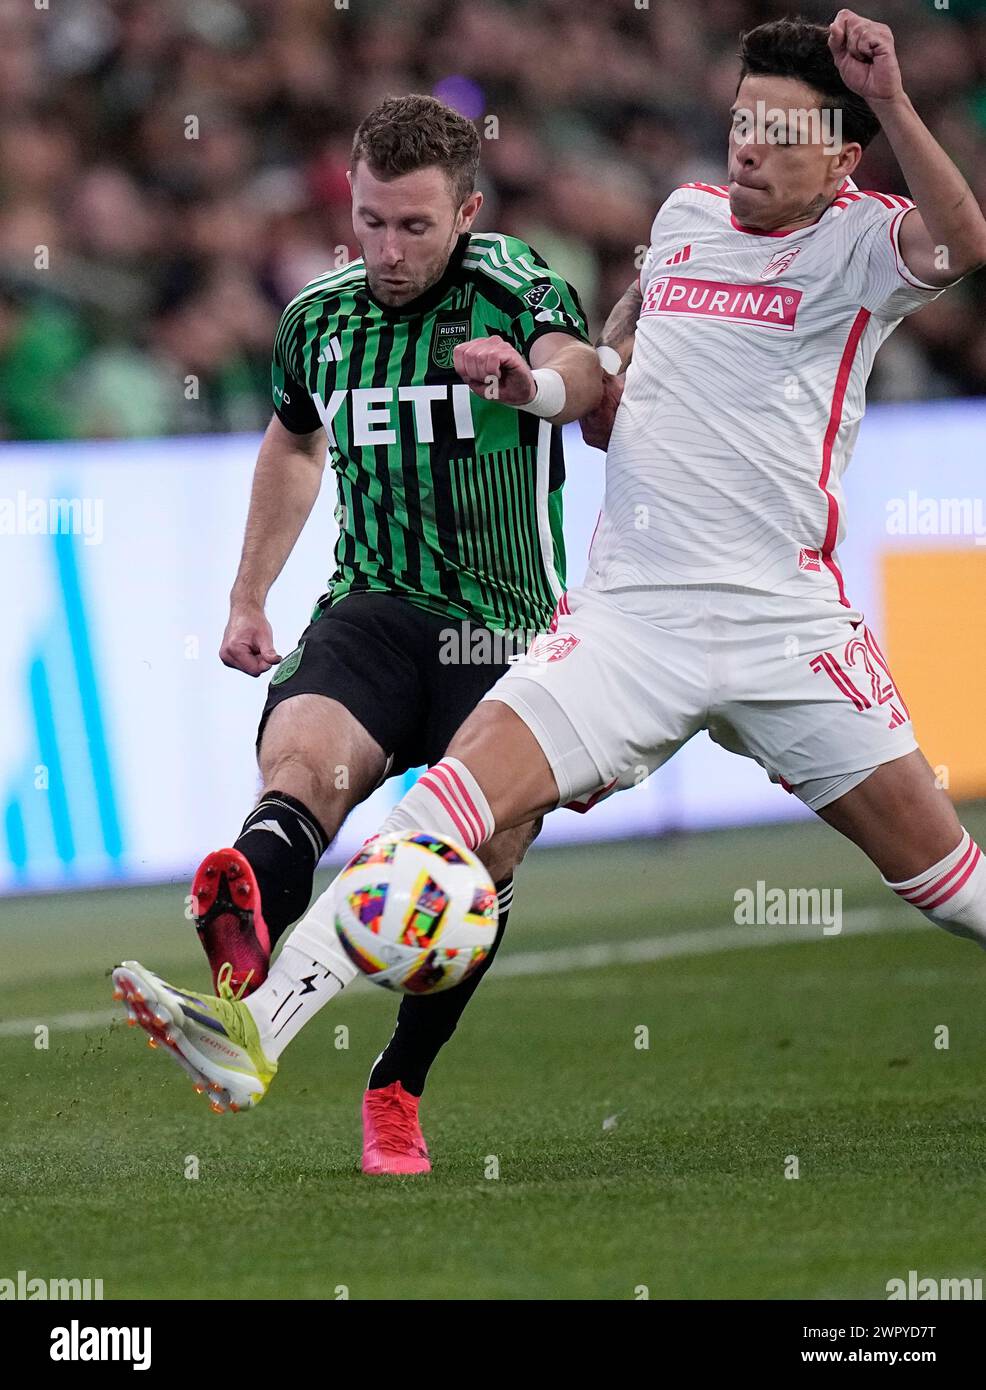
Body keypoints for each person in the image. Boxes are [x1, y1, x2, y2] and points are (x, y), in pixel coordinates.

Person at [115, 10, 986, 1124]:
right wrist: (561, 384)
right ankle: (254, 1033)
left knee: (944, 883)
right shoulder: (682, 220)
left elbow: (962, 245)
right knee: (434, 817)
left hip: (783, 624)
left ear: (842, 156)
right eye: (738, 121)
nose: (747, 146)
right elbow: (615, 340)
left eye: (780, 129)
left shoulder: (867, 241)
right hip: (627, 621)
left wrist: (900, 99)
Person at [112, 93, 601, 1174]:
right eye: (369, 220)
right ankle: (240, 958)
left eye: (413, 226)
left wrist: (538, 384)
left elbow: (585, 366)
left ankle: (395, 1087)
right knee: (302, 769)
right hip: (371, 610)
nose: (385, 248)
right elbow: (294, 443)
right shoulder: (319, 318)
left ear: (466, 211)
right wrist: (248, 594)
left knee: (477, 865)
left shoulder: (513, 289)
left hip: (503, 632)